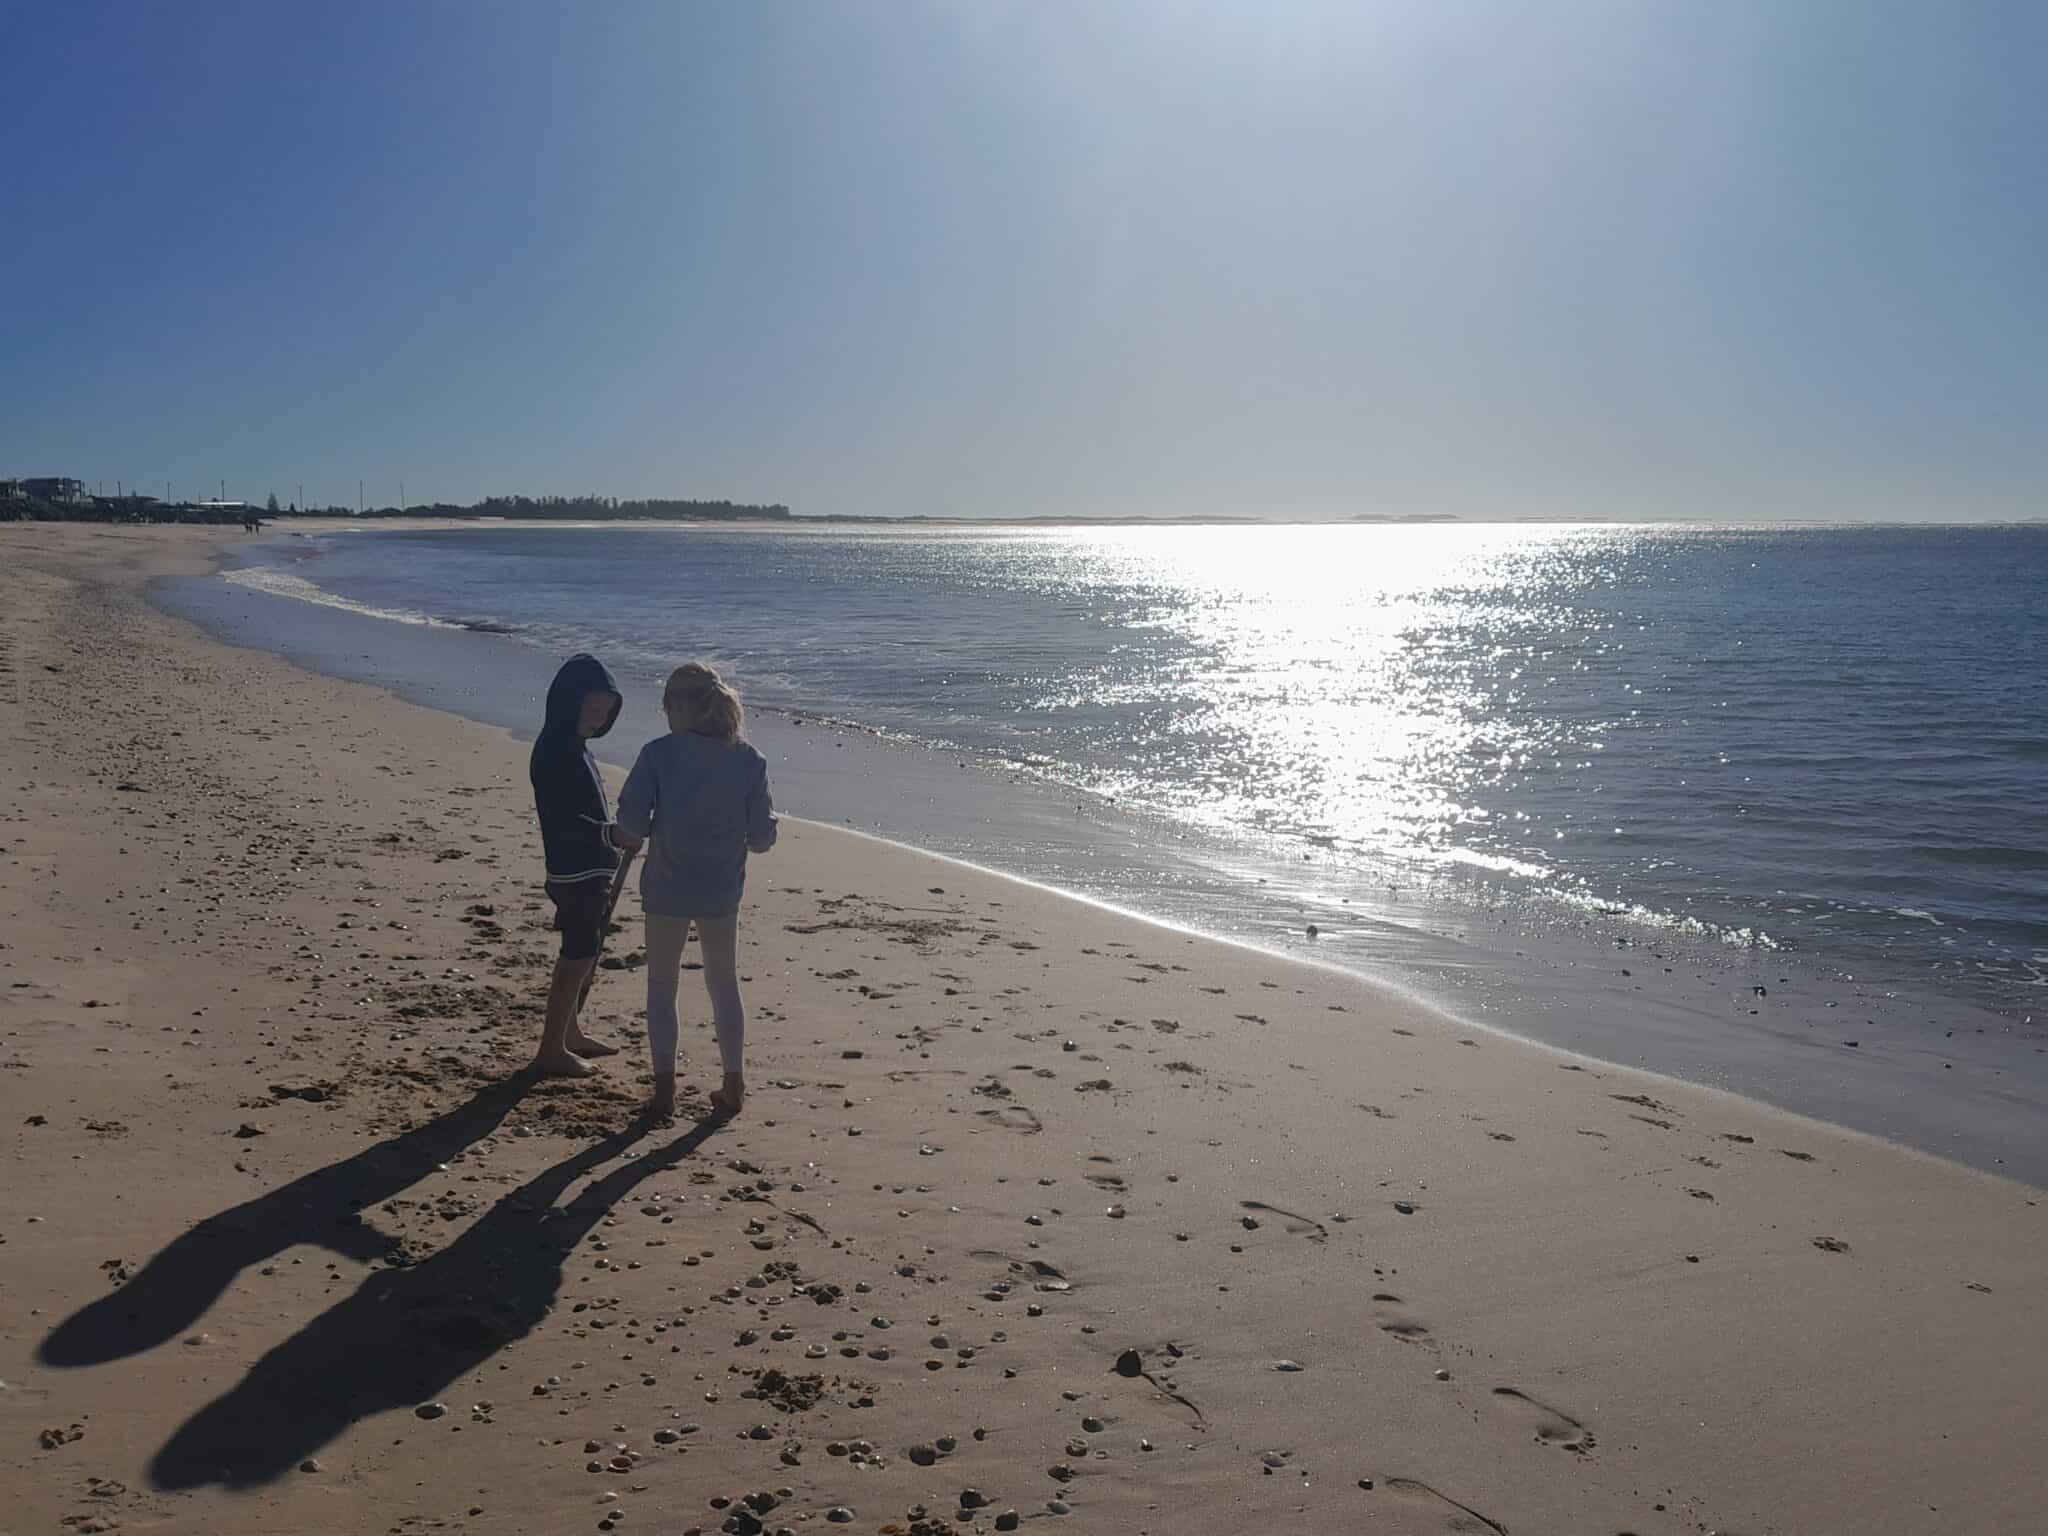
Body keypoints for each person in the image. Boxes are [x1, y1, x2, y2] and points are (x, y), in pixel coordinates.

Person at [617, 662, 778, 1118]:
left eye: (666, 705)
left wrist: (635, 832)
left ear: (679, 708)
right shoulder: (749, 760)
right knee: (723, 983)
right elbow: (763, 837)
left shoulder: (657, 754)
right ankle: (733, 1084)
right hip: (721, 891)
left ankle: (665, 1090)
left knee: (661, 984)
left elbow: (630, 823)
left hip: (666, 888)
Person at [529, 653, 641, 1077]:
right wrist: (610, 835)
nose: (598, 719)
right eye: (591, 709)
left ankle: (570, 1033)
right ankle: (550, 1049)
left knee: (588, 951)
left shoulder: (576, 747)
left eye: (605, 712)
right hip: (574, 871)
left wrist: (610, 836)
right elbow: (565, 820)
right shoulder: (554, 750)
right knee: (575, 956)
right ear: (568, 701)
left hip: (591, 869)